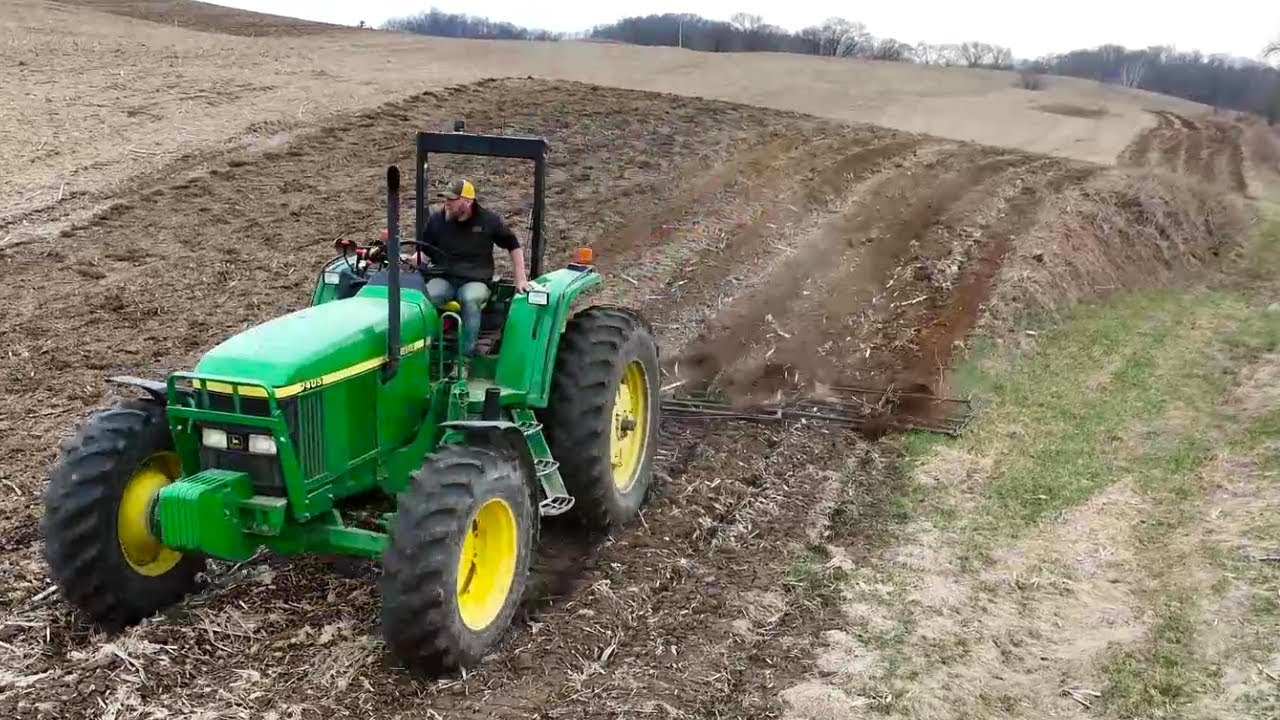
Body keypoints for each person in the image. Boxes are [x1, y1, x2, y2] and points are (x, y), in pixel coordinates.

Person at [403, 178, 529, 355]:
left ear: (468, 202)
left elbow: (513, 246)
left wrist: (521, 279)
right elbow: (425, 251)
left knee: (470, 298)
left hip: (475, 279)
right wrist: (410, 260)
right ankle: (422, 351)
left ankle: (465, 357)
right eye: (445, 198)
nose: (446, 202)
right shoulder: (437, 220)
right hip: (444, 277)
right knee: (425, 298)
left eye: (451, 199)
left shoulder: (488, 221)